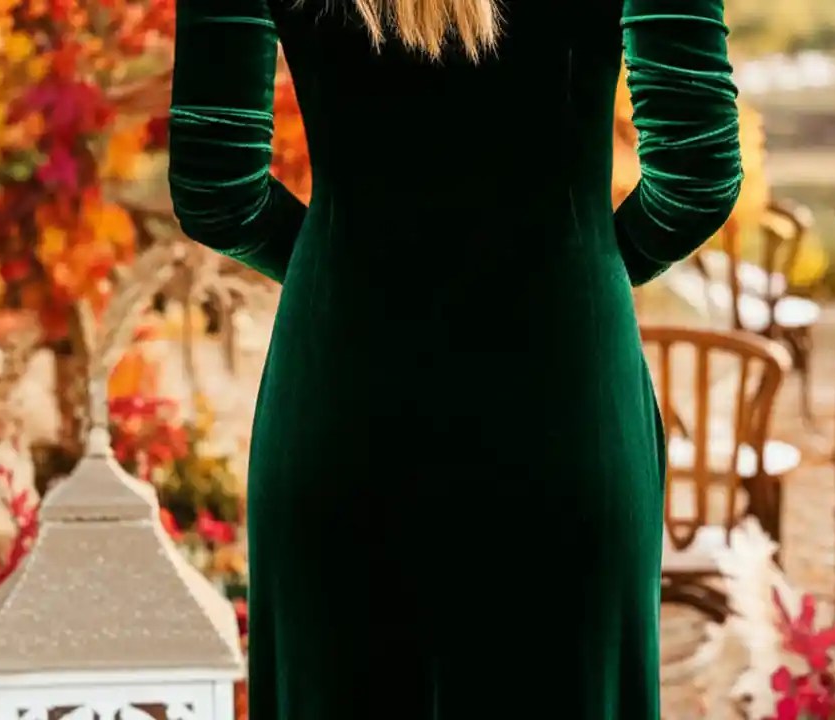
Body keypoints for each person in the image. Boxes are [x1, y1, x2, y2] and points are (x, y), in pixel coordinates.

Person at [168, 0, 742, 714]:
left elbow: (216, 189)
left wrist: (344, 281)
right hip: (563, 400)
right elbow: (697, 179)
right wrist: (574, 276)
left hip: (341, 406)